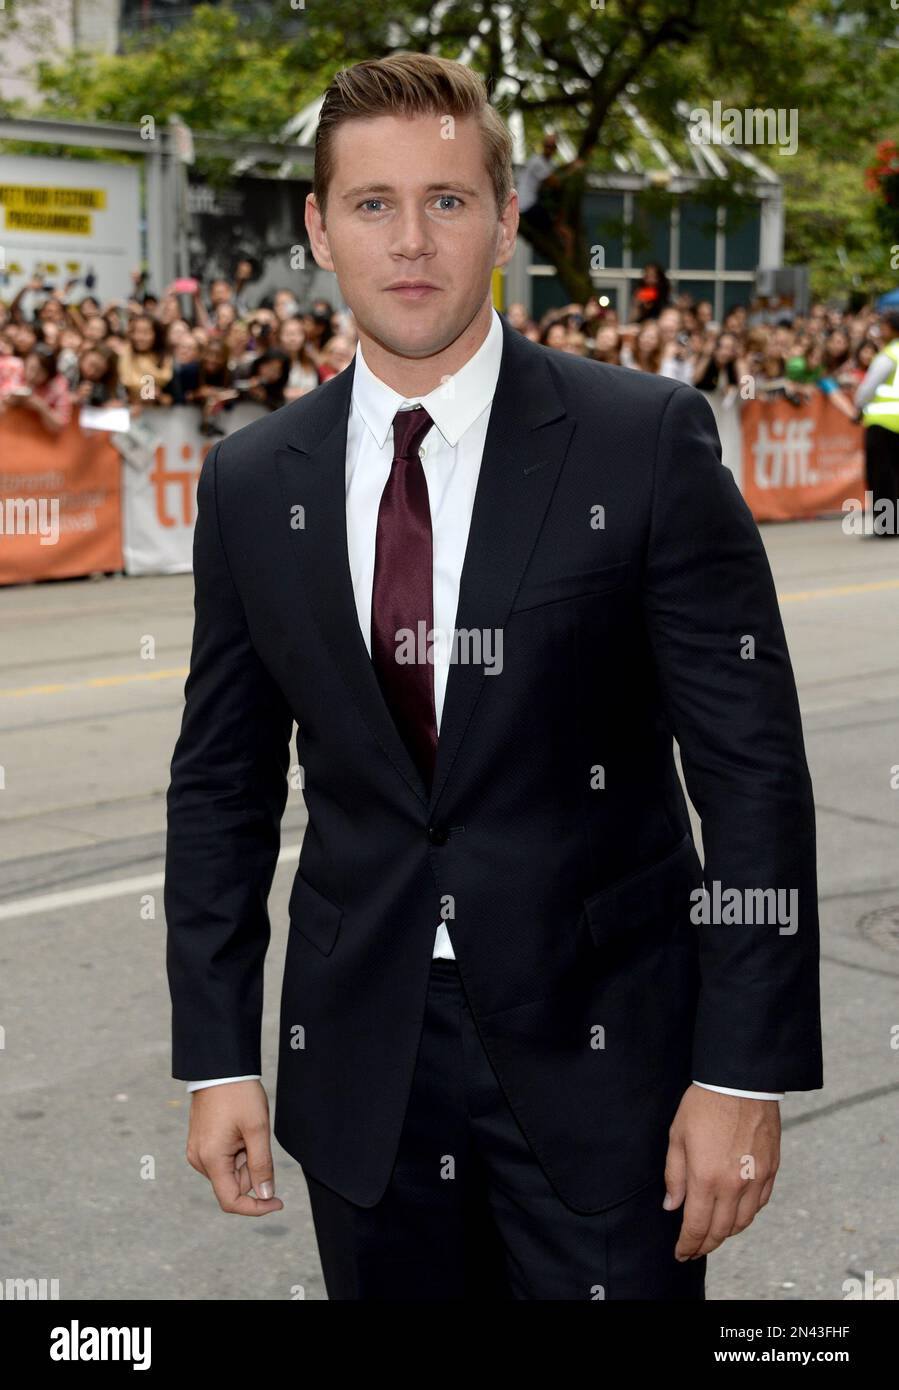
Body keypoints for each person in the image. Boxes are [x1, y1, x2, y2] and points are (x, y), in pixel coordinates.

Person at [165, 51, 822, 1302]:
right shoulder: (255, 482)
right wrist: (215, 1055)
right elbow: (219, 788)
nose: (410, 241)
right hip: (363, 1076)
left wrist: (739, 1071)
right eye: (371, 204)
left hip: (607, 1073)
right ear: (317, 225)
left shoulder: (642, 441)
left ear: (505, 216)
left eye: (448, 200)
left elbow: (749, 774)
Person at [854, 309, 899, 536]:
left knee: (882, 476)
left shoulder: (888, 356)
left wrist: (858, 406)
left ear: (891, 329)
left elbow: (867, 389)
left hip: (883, 422)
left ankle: (887, 527)